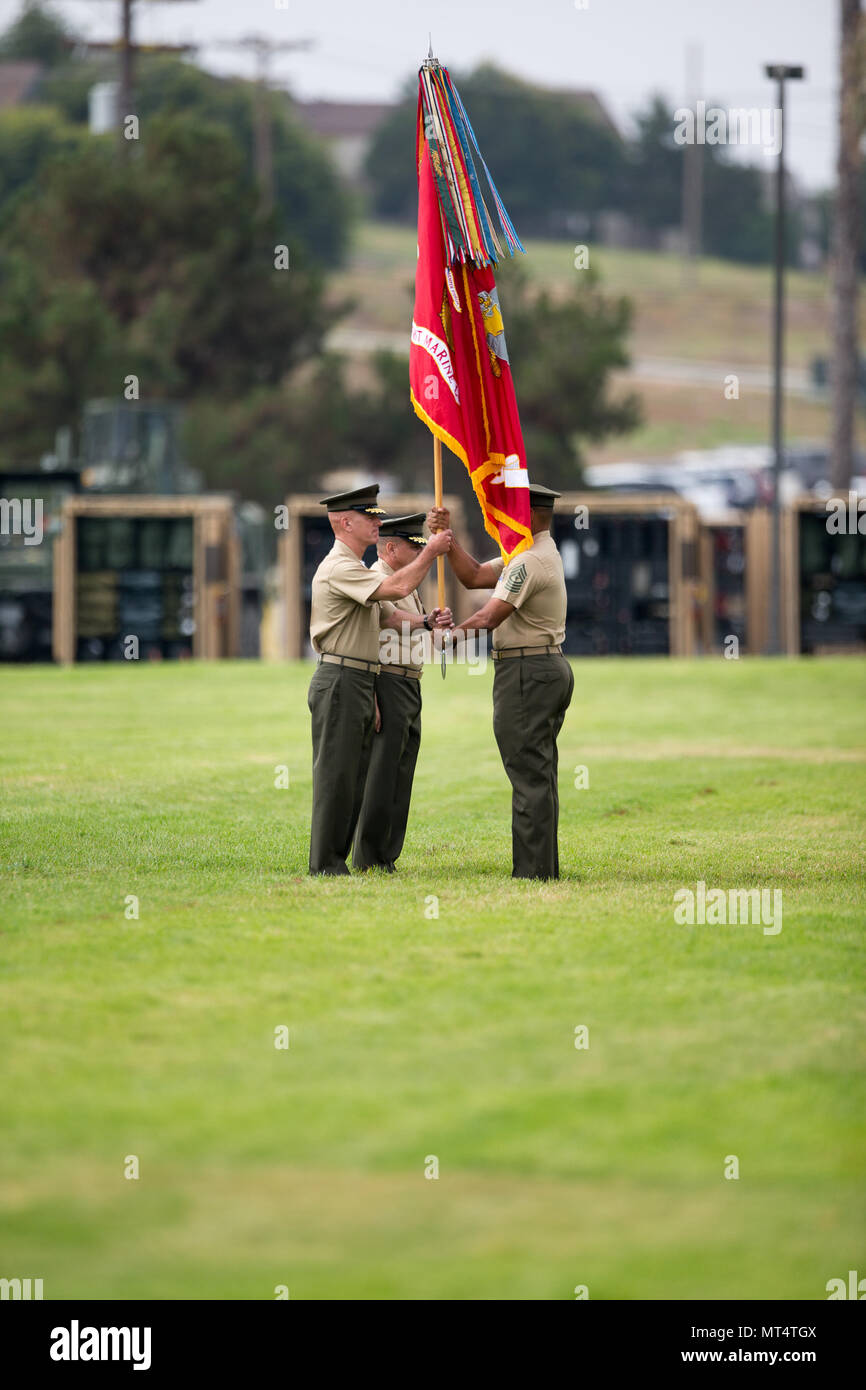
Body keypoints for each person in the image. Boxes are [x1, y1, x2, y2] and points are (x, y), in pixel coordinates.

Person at [427, 484, 572, 880]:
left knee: (527, 771)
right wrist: (447, 540)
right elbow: (474, 576)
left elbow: (490, 616)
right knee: (537, 771)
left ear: (526, 516)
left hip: (527, 672)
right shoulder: (529, 555)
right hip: (540, 669)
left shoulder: (529, 561)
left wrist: (451, 635)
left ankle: (533, 871)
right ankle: (542, 866)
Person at [308, 485, 452, 875]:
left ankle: (342, 861)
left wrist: (423, 621)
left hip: (358, 675)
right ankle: (326, 864)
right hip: (340, 675)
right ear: (345, 522)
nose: (377, 521)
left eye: (376, 516)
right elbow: (398, 588)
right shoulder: (340, 567)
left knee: (354, 778)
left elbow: (386, 616)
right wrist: (431, 551)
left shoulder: (352, 568)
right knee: (337, 778)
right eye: (368, 516)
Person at [353, 514, 448, 873]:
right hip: (388, 681)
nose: (420, 553)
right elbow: (387, 625)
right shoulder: (378, 579)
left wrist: (434, 621)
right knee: (381, 774)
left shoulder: (408, 585)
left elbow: (417, 630)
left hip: (410, 682)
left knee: (400, 773)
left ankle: (387, 855)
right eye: (414, 546)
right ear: (391, 548)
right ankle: (368, 857)